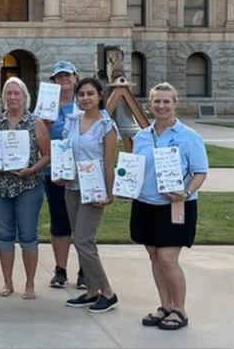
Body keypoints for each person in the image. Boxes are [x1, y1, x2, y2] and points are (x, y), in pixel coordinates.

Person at [130, 83, 208, 331]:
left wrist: (186, 192)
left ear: (176, 103)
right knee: (154, 257)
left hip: (176, 205)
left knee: (167, 258)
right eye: (157, 101)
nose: (161, 106)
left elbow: (200, 172)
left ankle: (180, 309)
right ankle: (165, 306)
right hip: (146, 204)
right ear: (149, 104)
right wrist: (127, 188)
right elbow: (137, 169)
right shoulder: (142, 136)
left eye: (166, 101)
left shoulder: (189, 137)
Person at [0, 77, 50, 300]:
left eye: (16, 93)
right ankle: (8, 282)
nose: (12, 97)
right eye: (8, 93)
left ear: (25, 97)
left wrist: (31, 170)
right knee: (5, 236)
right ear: (4, 98)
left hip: (28, 187)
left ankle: (29, 285)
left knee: (28, 236)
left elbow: (47, 155)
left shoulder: (35, 123)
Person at [60, 78, 119, 313]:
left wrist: (108, 192)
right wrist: (60, 173)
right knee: (79, 239)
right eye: (81, 94)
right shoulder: (73, 121)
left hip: (93, 189)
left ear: (100, 96)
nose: (85, 98)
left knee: (85, 240)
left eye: (90, 94)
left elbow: (108, 162)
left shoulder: (106, 126)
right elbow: (64, 151)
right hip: (71, 187)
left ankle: (107, 292)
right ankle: (92, 291)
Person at [43, 61, 86, 290]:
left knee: (83, 223)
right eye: (59, 77)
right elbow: (35, 135)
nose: (63, 80)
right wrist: (43, 125)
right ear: (54, 81)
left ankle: (85, 270)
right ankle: (60, 270)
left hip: (84, 173)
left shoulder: (86, 102)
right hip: (55, 171)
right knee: (60, 220)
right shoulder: (45, 107)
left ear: (75, 77)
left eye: (67, 76)